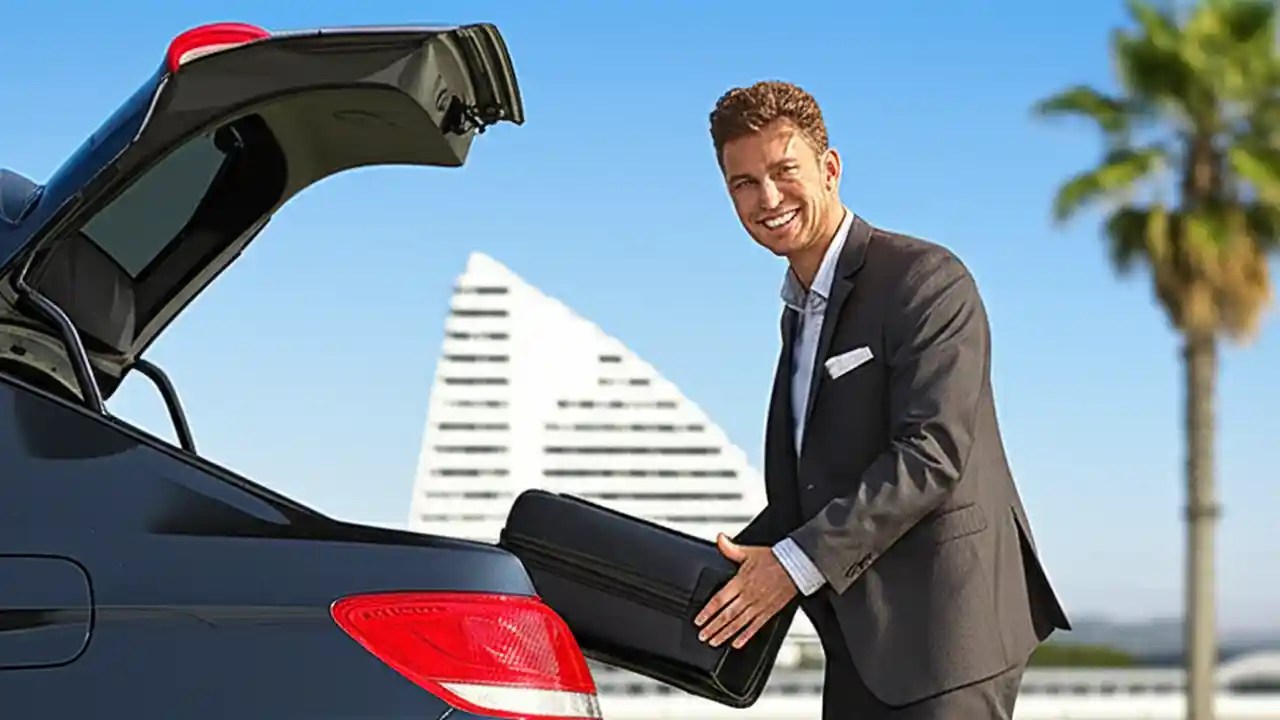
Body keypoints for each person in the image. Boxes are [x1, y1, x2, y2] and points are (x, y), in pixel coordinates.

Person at [692, 80, 1071, 719]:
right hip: (860, 642)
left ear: (830, 168)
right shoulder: (799, 315)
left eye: (785, 171)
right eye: (744, 184)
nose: (768, 198)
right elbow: (814, 489)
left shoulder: (925, 279)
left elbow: (931, 452)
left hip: (946, 637)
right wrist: (700, 578)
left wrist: (789, 566)